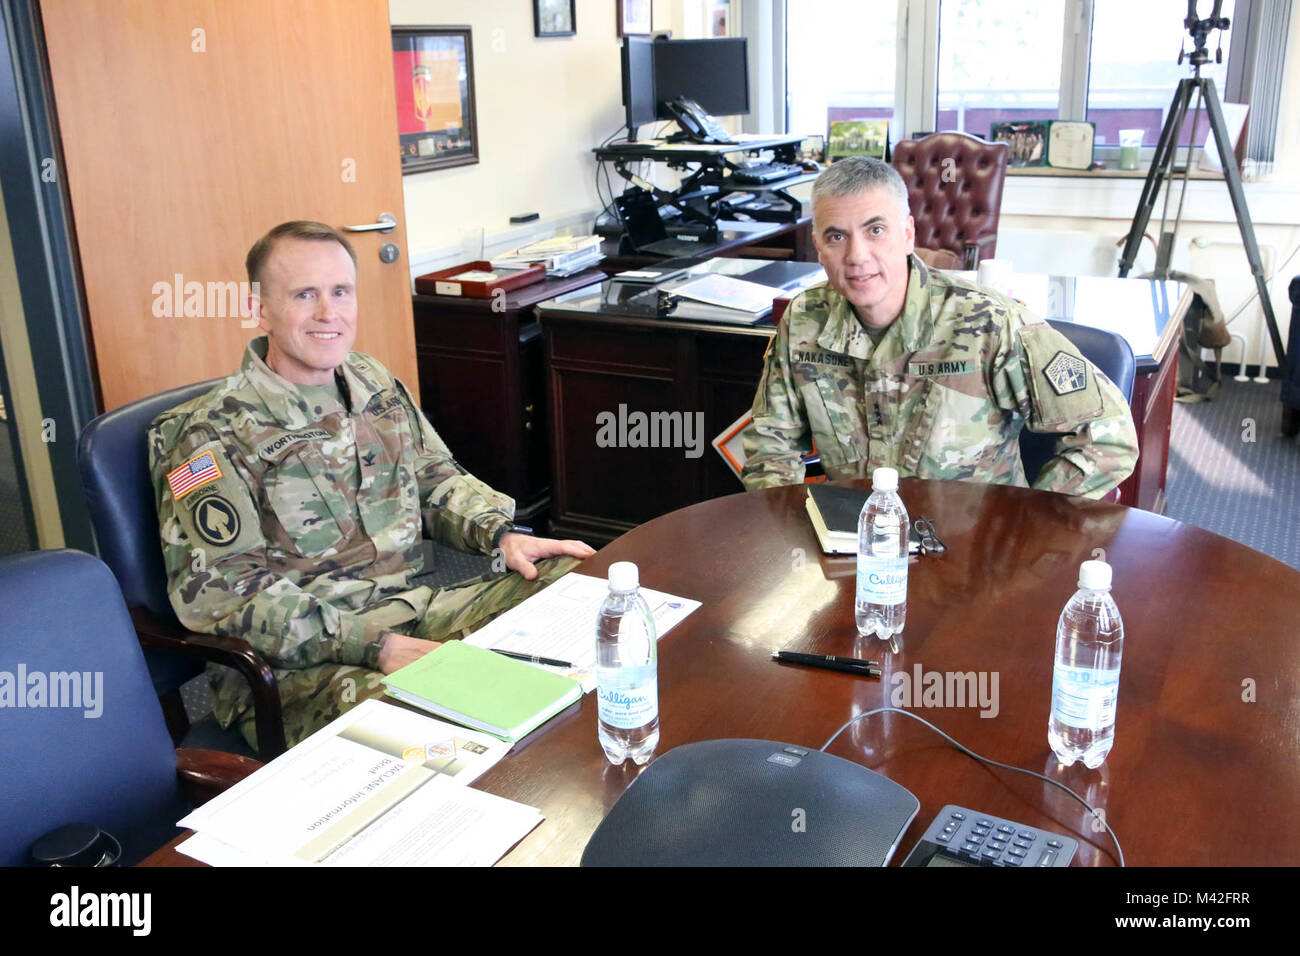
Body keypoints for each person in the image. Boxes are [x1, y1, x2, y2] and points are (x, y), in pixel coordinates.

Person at [149, 221, 594, 750]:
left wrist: (501, 536)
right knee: (437, 719)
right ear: (258, 308)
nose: (328, 313)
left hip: (414, 611)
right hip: (302, 667)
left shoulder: (372, 382)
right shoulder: (204, 434)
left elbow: (434, 479)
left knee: (574, 583)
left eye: (340, 292)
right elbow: (228, 598)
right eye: (303, 295)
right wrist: (374, 646)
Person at [742, 157, 1138, 496]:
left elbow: (1110, 437)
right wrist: (793, 530)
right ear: (818, 247)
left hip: (976, 551)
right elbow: (771, 448)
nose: (857, 255)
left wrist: (1027, 524)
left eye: (875, 230)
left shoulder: (990, 323)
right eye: (836, 236)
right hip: (856, 547)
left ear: (908, 234)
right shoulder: (804, 321)